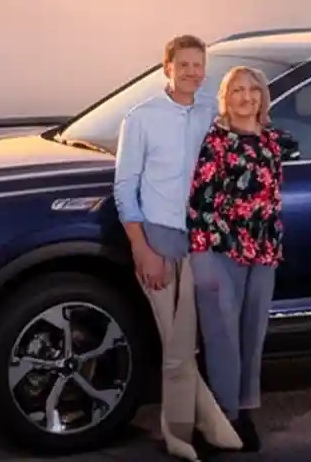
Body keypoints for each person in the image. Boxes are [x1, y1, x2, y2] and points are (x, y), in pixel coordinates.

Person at [113, 34, 242, 461]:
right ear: (166, 68)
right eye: (183, 64)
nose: (192, 72)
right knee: (175, 344)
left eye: (198, 65)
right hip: (158, 239)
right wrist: (142, 249)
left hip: (202, 243)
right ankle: (188, 435)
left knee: (183, 347)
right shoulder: (142, 118)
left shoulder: (212, 113)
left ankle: (191, 430)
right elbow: (125, 188)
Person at [187, 66, 291, 453]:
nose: (247, 97)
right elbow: (199, 202)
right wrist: (203, 249)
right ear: (225, 99)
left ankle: (243, 412)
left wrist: (270, 242)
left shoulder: (271, 141)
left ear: (262, 97)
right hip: (218, 250)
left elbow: (271, 199)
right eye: (238, 91)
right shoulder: (215, 141)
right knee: (221, 336)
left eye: (254, 90)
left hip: (262, 251)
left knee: (252, 334)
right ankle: (219, 420)